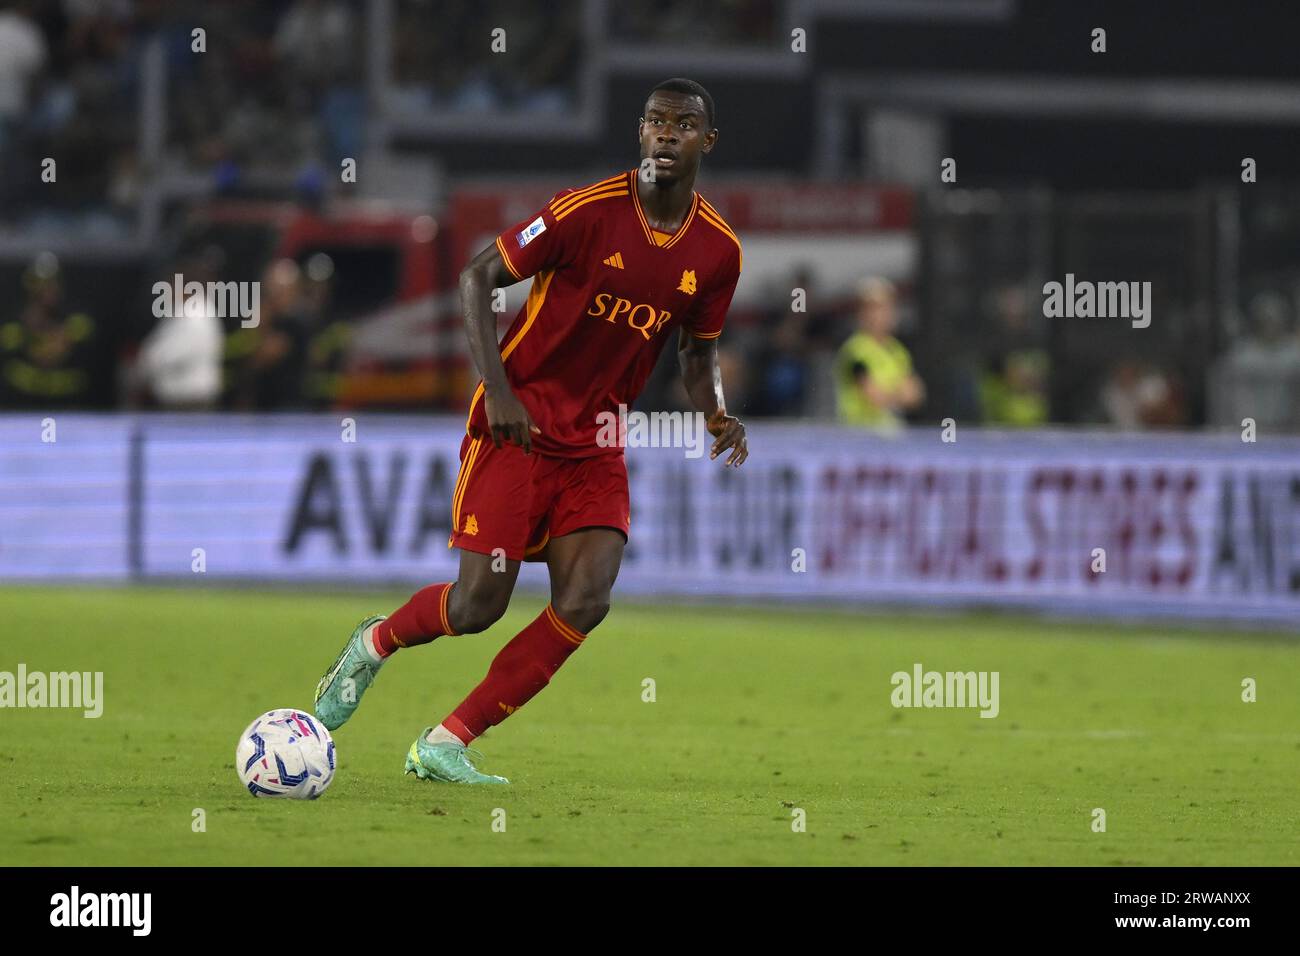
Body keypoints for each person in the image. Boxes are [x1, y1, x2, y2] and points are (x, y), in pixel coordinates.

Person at [312, 78, 748, 784]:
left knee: (587, 600)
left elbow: (697, 351)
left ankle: (446, 741)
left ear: (707, 141)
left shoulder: (718, 251)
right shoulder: (585, 213)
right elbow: (476, 277)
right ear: (640, 133)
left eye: (685, 125)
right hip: (518, 426)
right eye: (656, 122)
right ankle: (374, 642)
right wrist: (501, 392)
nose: (668, 135)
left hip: (598, 439)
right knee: (479, 604)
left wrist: (716, 411)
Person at [834, 277, 924, 431]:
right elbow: (874, 396)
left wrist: (894, 395)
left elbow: (916, 395)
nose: (877, 315)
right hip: (858, 436)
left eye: (884, 308)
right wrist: (899, 394)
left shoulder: (897, 350)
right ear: (860, 314)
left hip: (891, 436)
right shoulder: (855, 350)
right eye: (871, 309)